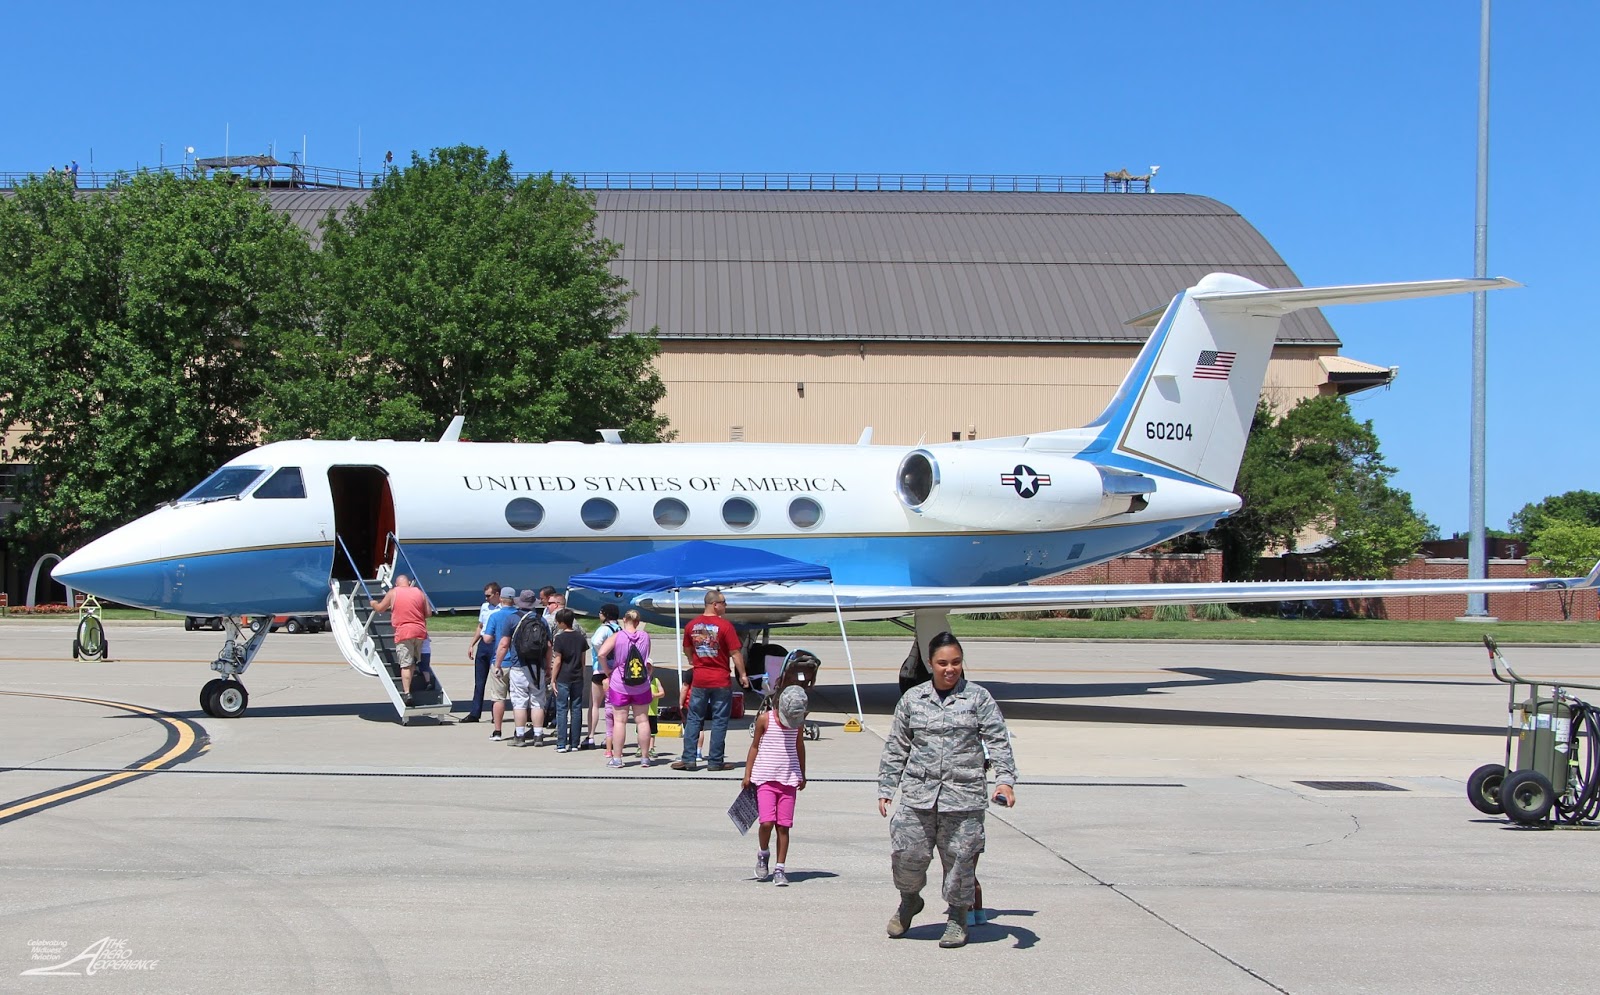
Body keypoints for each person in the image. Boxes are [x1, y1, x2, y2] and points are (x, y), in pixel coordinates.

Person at [877, 632, 1017, 949]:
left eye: (955, 662)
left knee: (960, 862)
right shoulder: (913, 700)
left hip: (964, 799)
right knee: (907, 857)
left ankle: (957, 917)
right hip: (918, 795)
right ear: (931, 664)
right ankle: (909, 900)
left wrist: (1005, 781)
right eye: (943, 663)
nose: (950, 669)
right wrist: (887, 787)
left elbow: (998, 741)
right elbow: (896, 747)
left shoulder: (978, 698)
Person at [672, 589, 749, 772]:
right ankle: (715, 761)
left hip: (700, 679)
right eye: (724, 602)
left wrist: (693, 660)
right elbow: (735, 653)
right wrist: (743, 674)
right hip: (720, 679)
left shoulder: (692, 625)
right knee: (720, 720)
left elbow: (687, 649)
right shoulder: (725, 627)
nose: (725, 606)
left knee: (694, 719)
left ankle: (689, 759)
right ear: (715, 604)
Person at [743, 686, 809, 886]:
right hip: (765, 778)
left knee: (783, 826)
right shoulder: (765, 719)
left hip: (788, 779)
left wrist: (802, 773)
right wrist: (748, 774)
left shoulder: (797, 725)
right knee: (767, 823)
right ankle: (763, 853)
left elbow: (799, 747)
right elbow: (755, 746)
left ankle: (780, 868)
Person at [601, 609, 654, 768]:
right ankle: (645, 757)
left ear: (624, 619)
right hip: (641, 683)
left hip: (620, 683)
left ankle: (617, 758)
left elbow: (602, 653)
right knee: (643, 720)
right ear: (638, 622)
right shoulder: (645, 636)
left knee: (619, 721)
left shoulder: (618, 636)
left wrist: (608, 671)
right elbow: (646, 657)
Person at [498, 589, 549, 746]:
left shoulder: (512, 619)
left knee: (519, 701)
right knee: (538, 702)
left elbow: (504, 644)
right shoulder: (542, 620)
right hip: (538, 667)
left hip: (519, 666)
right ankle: (538, 736)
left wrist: (497, 664)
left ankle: (519, 736)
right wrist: (548, 667)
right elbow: (548, 646)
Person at [371, 574, 431, 705]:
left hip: (404, 632)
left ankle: (407, 693)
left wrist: (374, 603)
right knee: (413, 662)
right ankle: (415, 683)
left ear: (396, 584)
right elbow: (428, 613)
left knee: (405, 664)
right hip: (420, 632)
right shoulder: (419, 592)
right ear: (409, 583)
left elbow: (381, 609)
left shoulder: (393, 592)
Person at [462, 581, 505, 722]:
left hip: (495, 644)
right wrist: (472, 644)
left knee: (496, 681)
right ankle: (475, 713)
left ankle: (495, 714)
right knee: (479, 682)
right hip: (483, 645)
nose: (486, 598)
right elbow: (480, 626)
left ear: (497, 594)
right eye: (485, 596)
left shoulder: (502, 608)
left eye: (488, 595)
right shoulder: (485, 607)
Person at [481, 586, 519, 741]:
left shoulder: (495, 616)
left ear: (501, 599)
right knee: (518, 699)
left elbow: (487, 639)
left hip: (500, 661)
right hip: (518, 662)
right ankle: (520, 729)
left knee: (498, 698)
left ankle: (497, 730)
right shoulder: (520, 615)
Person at [549, 608, 588, 753]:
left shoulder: (559, 638)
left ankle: (561, 743)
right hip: (577, 676)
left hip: (563, 677)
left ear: (562, 623)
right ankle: (574, 743)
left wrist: (553, 679)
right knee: (576, 708)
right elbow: (583, 659)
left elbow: (558, 660)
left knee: (562, 709)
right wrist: (582, 673)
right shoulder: (580, 637)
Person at [587, 604, 622, 752]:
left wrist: (602, 653)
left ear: (605, 614)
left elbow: (595, 642)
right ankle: (611, 736)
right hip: (615, 670)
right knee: (613, 706)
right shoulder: (620, 630)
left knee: (595, 704)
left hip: (601, 668)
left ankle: (591, 736)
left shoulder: (604, 629)